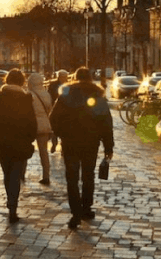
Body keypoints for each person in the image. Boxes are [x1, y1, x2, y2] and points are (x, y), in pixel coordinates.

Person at [49, 67, 114, 230]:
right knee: (88, 175)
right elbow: (106, 122)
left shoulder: (65, 94)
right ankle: (86, 208)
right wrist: (108, 146)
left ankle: (75, 212)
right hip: (91, 141)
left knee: (71, 177)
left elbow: (53, 118)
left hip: (70, 141)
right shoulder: (98, 95)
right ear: (91, 78)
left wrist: (61, 134)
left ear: (75, 78)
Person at [0, 69, 38, 224]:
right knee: (15, 175)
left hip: (3, 143)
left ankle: (11, 202)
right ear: (22, 81)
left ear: (7, 80)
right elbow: (32, 123)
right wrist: (29, 139)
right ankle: (12, 207)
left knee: (7, 173)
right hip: (20, 143)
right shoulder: (25, 99)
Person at [26, 72, 53, 185]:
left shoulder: (29, 95)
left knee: (25, 149)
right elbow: (50, 110)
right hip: (44, 125)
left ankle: (22, 173)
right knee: (44, 152)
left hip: (31, 126)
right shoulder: (47, 94)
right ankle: (46, 176)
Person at [47, 69, 69, 153]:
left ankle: (63, 147)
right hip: (55, 108)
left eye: (65, 77)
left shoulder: (67, 85)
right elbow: (49, 95)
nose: (64, 78)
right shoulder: (53, 85)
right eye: (62, 77)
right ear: (59, 77)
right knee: (54, 128)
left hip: (64, 110)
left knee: (63, 129)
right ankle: (54, 143)